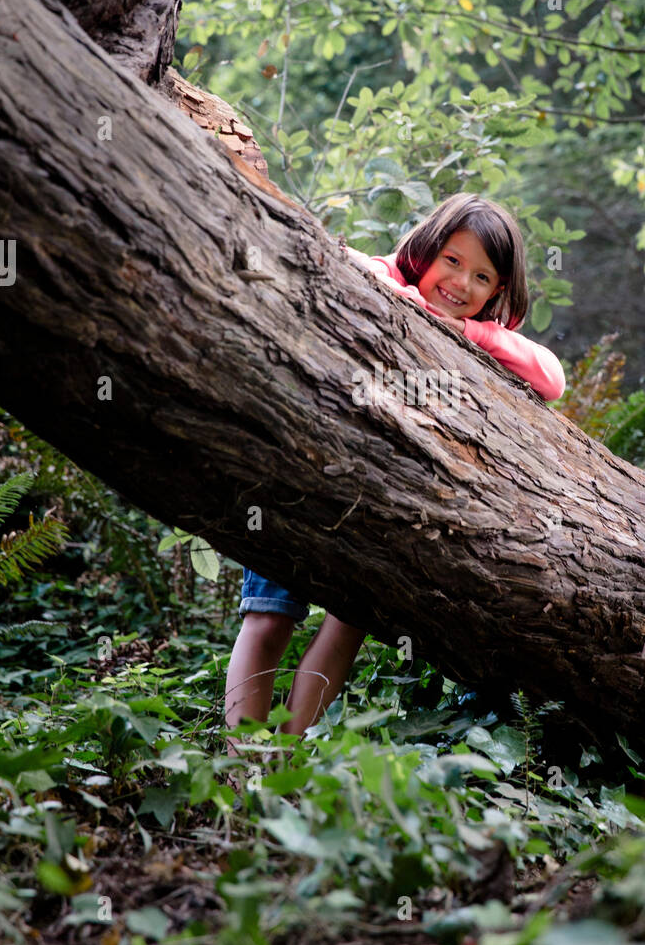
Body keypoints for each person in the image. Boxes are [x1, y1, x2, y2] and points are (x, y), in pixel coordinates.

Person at [224, 191, 566, 758]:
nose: (460, 284)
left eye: (482, 277)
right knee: (268, 617)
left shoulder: (485, 337)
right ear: (428, 248)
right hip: (302, 467)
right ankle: (241, 760)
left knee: (346, 624)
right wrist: (419, 305)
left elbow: (551, 377)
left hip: (374, 497)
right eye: (452, 261)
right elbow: (349, 264)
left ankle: (287, 756)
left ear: (499, 290)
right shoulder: (390, 273)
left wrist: (474, 333)